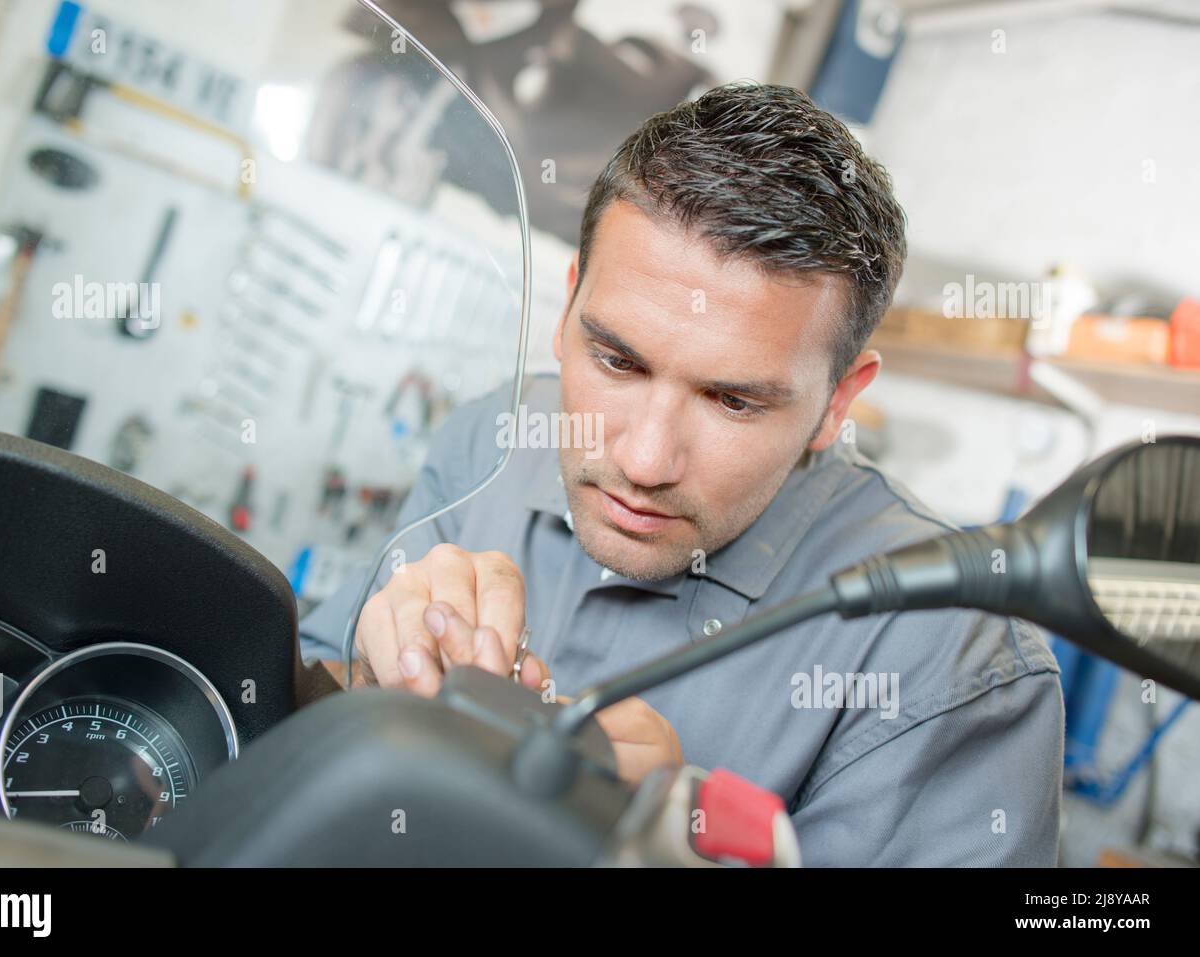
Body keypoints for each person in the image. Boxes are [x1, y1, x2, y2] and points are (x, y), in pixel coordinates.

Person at [299, 82, 1064, 867]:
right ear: (566, 312)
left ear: (838, 402)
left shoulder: (955, 655)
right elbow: (263, 712)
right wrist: (368, 677)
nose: (642, 461)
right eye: (617, 360)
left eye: (732, 400)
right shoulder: (493, 441)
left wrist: (668, 846)